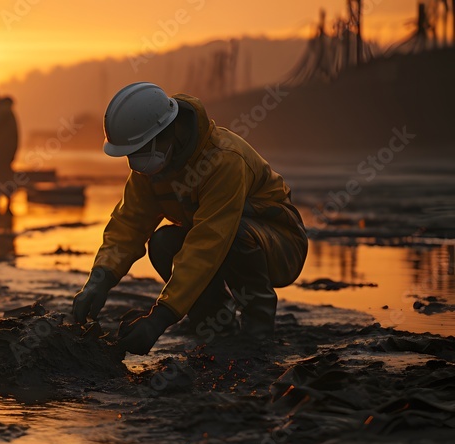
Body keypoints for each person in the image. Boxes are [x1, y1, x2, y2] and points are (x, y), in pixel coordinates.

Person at [73, 82, 307, 354]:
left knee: (234, 234)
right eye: (131, 154)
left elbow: (208, 242)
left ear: (165, 132)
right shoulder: (153, 168)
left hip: (278, 241)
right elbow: (129, 225)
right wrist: (99, 280)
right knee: (163, 243)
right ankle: (214, 324)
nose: (135, 162)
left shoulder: (224, 160)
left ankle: (258, 330)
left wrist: (160, 318)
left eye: (139, 150)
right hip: (220, 237)